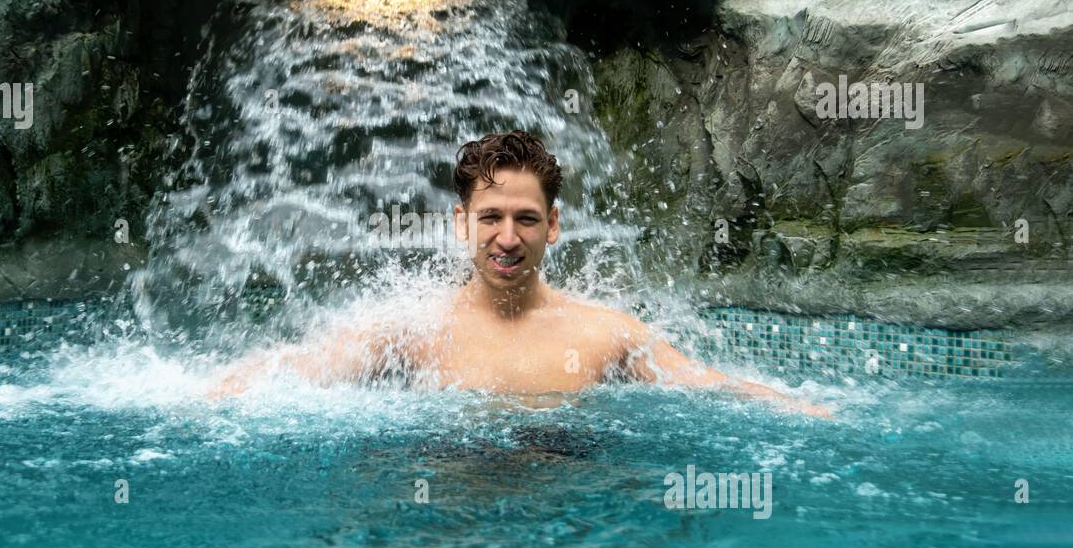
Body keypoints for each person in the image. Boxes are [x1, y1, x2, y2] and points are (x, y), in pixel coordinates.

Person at [207, 130, 831, 418]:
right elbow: (297, 376)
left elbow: (710, 386)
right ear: (462, 221)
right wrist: (201, 396)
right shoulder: (410, 330)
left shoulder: (604, 333)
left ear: (553, 225)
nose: (508, 238)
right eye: (492, 218)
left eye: (527, 219)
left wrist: (802, 409)